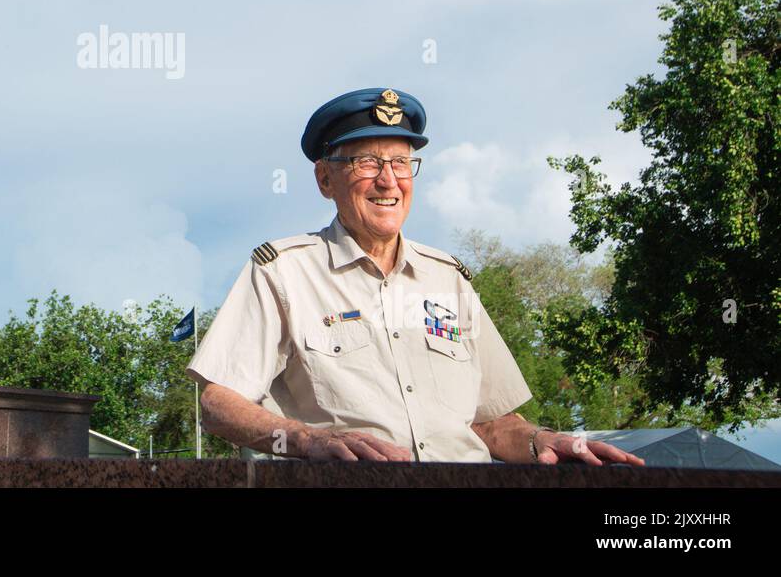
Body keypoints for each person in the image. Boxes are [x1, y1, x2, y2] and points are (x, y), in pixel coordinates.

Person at [187, 87, 646, 465]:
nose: (389, 180)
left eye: (401, 163)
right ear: (325, 179)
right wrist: (308, 440)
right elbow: (218, 402)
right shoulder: (283, 272)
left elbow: (489, 422)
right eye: (368, 163)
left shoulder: (450, 280)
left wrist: (539, 441)